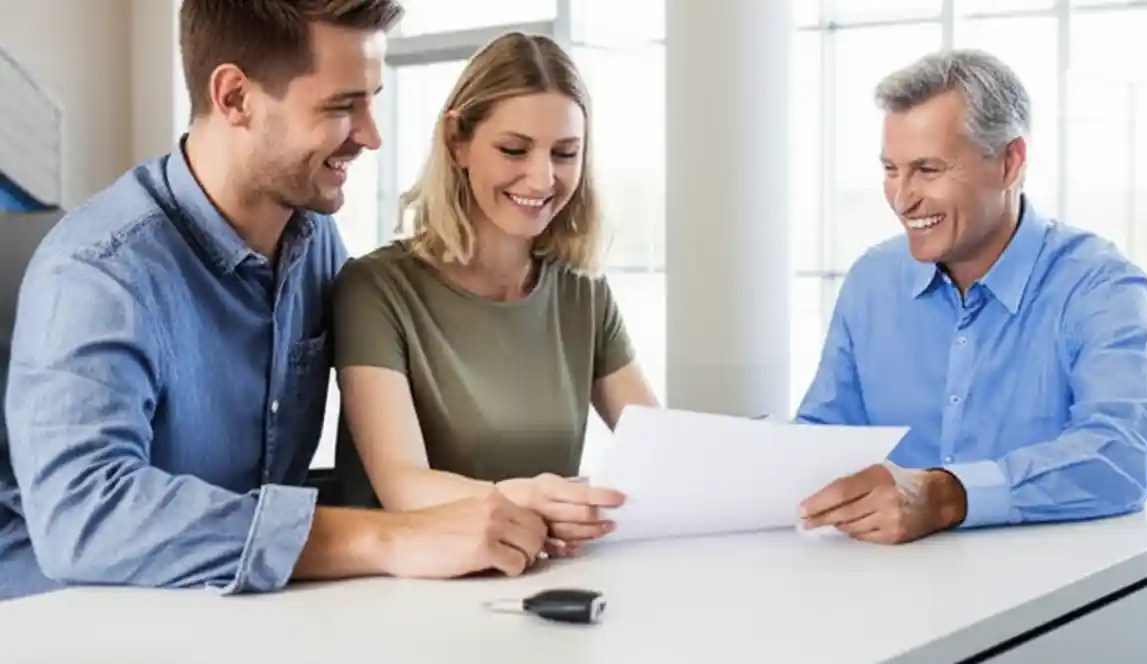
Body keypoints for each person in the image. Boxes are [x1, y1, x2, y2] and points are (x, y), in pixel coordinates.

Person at [0, 0, 550, 603]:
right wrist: (385, 539)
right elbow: (83, 518)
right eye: (343, 106)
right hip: (70, 629)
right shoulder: (98, 273)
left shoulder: (313, 242)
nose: (371, 135)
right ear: (235, 97)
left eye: (371, 99)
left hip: (244, 614)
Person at [795, 49, 1147, 544]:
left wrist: (946, 496)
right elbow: (821, 440)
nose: (903, 199)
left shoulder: (1098, 285)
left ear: (1009, 163)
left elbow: (1125, 455)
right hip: (883, 589)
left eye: (928, 170)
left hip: (1046, 595)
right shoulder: (872, 280)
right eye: (891, 170)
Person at [332, 32, 659, 555]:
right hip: (402, 595)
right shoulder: (376, 290)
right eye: (514, 149)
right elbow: (402, 485)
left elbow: (661, 451)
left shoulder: (584, 294)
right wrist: (523, 499)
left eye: (565, 152)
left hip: (542, 584)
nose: (542, 176)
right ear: (457, 141)